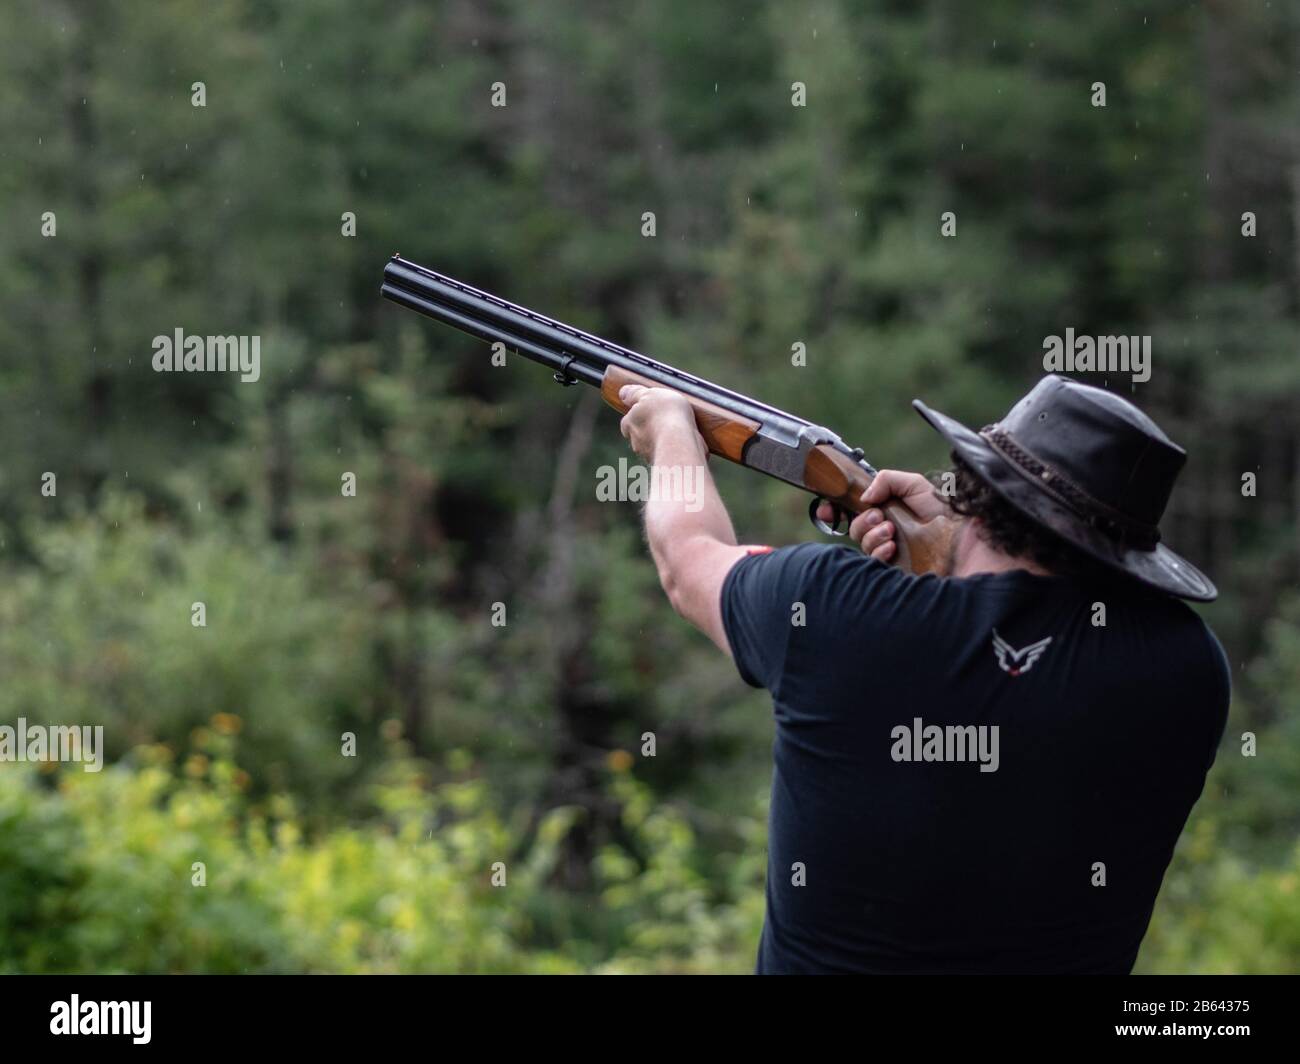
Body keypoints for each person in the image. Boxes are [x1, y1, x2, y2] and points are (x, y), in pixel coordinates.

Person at [617, 373, 1229, 974]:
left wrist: (672, 430)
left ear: (976, 493)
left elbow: (687, 556)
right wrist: (943, 550)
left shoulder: (831, 608)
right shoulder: (1190, 672)